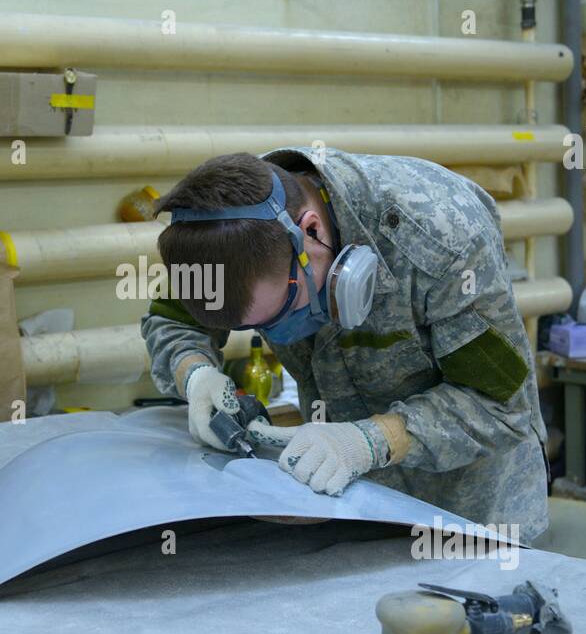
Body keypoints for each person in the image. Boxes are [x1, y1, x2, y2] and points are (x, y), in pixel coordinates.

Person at [140, 147, 549, 540]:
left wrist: (373, 440)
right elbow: (173, 321)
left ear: (311, 233)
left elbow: (498, 406)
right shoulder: (220, 233)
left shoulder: (444, 237)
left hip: (467, 512)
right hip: (349, 506)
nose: (276, 334)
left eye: (283, 310)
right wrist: (195, 374)